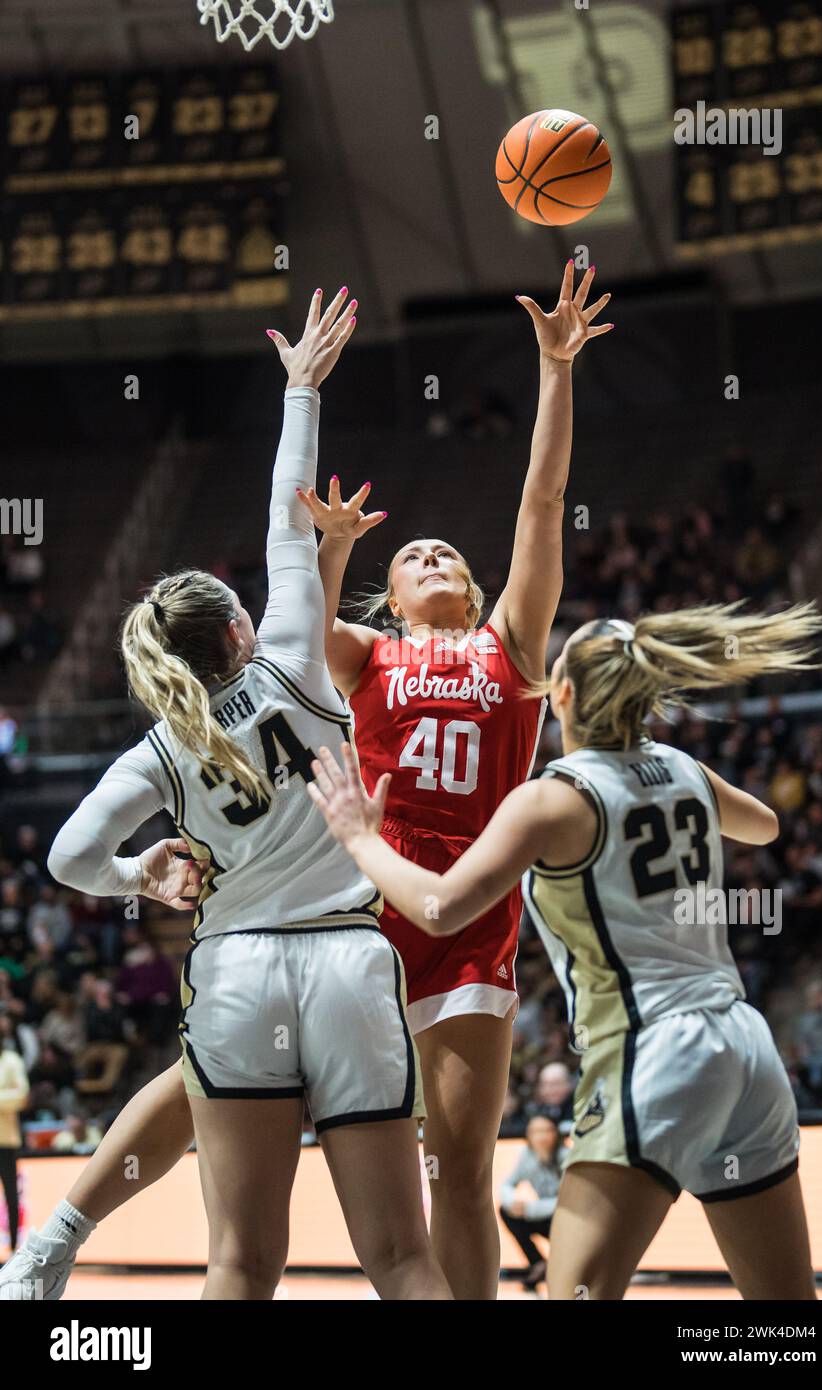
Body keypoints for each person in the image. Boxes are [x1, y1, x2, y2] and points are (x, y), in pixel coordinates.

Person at [0, 260, 613, 1304]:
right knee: (230, 1117)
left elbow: (542, 502)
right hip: (362, 914)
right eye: (409, 548)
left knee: (453, 1177)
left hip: (457, 925)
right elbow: (282, 618)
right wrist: (328, 543)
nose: (425, 549)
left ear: (468, 588)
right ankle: (60, 1230)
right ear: (385, 592)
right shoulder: (357, 654)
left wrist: (555, 371)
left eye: (442, 552)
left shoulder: (509, 645)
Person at [308, 599, 822, 1300]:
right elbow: (763, 826)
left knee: (574, 1293)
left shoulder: (551, 798)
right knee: (787, 1319)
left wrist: (360, 839)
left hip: (653, 1052)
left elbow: (437, 908)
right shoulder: (685, 769)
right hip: (745, 1048)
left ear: (565, 695)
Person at [499, 1115, 567, 1289]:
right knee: (506, 1211)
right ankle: (537, 1262)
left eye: (546, 1130)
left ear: (556, 1134)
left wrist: (530, 1209)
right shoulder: (527, 1156)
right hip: (546, 1217)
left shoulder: (566, 1156)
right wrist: (513, 1202)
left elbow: (568, 1201)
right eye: (536, 1132)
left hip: (568, 1220)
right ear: (528, 1136)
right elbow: (507, 1184)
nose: (542, 1136)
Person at [0, 1018, 28, 1254]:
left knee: (10, 1192)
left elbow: (21, 1095)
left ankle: (13, 1246)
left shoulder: (12, 1061)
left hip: (6, 1139)